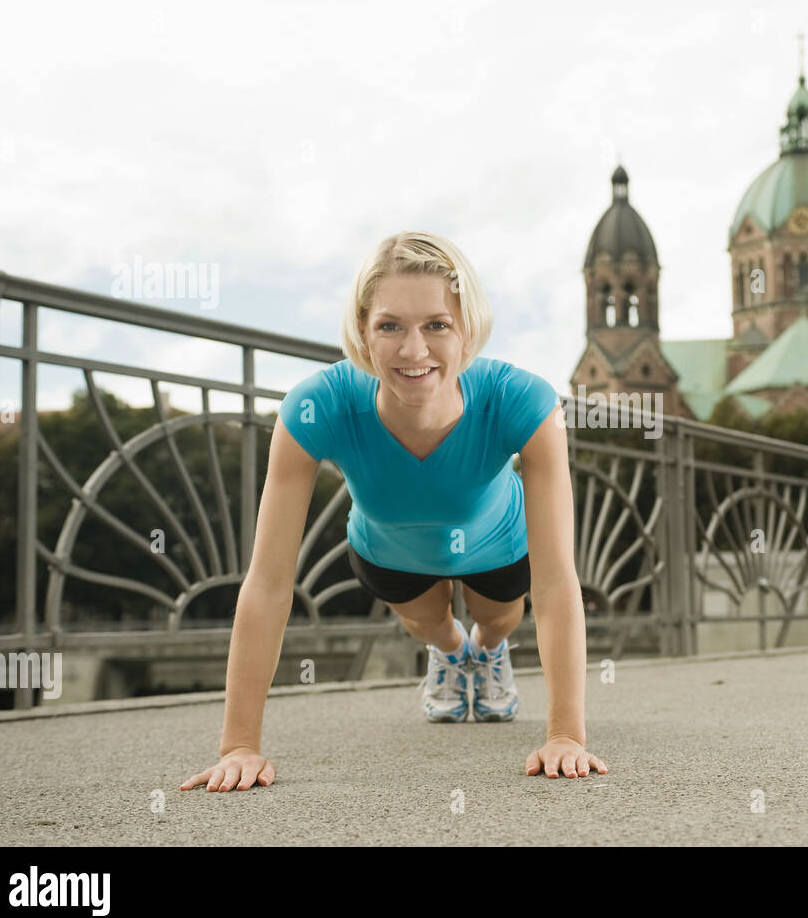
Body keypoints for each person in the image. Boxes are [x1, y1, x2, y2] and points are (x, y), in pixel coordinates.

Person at [180, 231, 608, 791]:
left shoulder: (523, 401)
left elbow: (555, 584)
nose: (414, 350)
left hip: (499, 546)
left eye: (437, 324)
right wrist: (239, 747)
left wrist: (565, 736)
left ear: (468, 328)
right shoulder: (316, 407)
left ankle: (488, 652)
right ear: (363, 330)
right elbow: (267, 583)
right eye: (390, 326)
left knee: (497, 617)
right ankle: (453, 656)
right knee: (428, 623)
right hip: (388, 550)